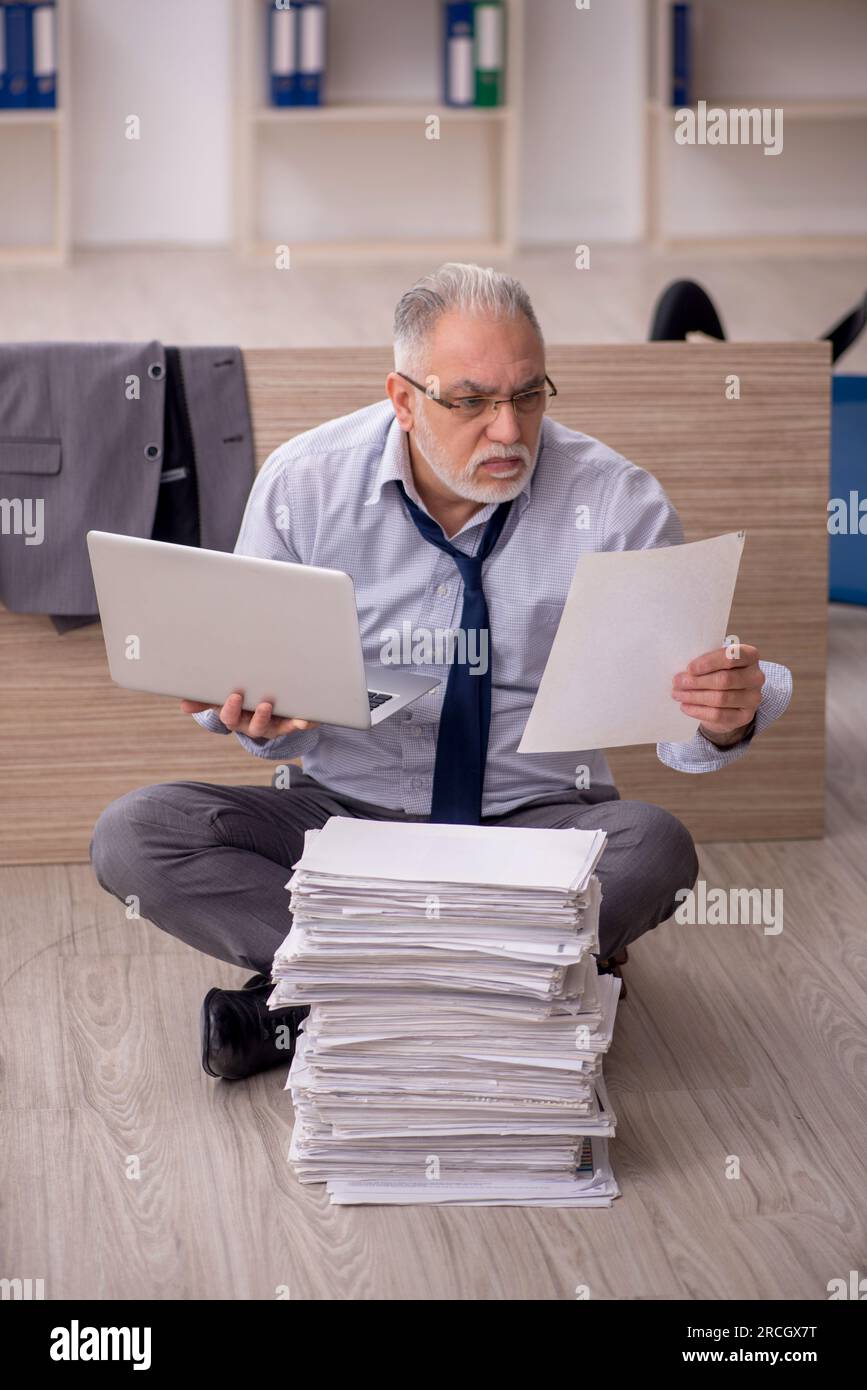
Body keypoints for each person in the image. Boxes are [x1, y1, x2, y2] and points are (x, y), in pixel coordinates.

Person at [90, 263, 792, 1080]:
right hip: (342, 821)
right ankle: (515, 980)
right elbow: (262, 721)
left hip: (535, 823)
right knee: (137, 834)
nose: (507, 431)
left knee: (655, 849)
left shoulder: (615, 500)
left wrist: (722, 715)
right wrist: (258, 723)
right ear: (403, 398)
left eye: (529, 396)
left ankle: (315, 1001)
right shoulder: (304, 485)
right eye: (470, 401)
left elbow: (677, 724)